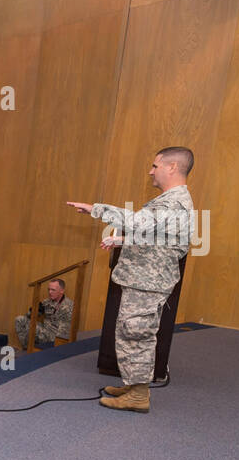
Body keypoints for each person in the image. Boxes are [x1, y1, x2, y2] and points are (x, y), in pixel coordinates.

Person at [67, 146, 195, 412]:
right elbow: (161, 238)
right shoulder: (173, 201)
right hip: (145, 280)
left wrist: (96, 209)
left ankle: (138, 395)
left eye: (155, 166)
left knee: (137, 334)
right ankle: (134, 384)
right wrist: (122, 240)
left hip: (148, 283)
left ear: (172, 167)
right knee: (132, 332)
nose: (150, 171)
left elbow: (139, 222)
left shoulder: (173, 201)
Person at [14, 278, 75, 351]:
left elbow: (63, 334)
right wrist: (32, 311)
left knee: (33, 327)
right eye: (48, 289)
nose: (50, 292)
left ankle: (35, 349)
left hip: (54, 336)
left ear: (62, 291)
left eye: (53, 290)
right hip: (45, 330)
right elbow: (29, 317)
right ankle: (27, 348)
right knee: (19, 319)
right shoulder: (47, 301)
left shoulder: (68, 306)